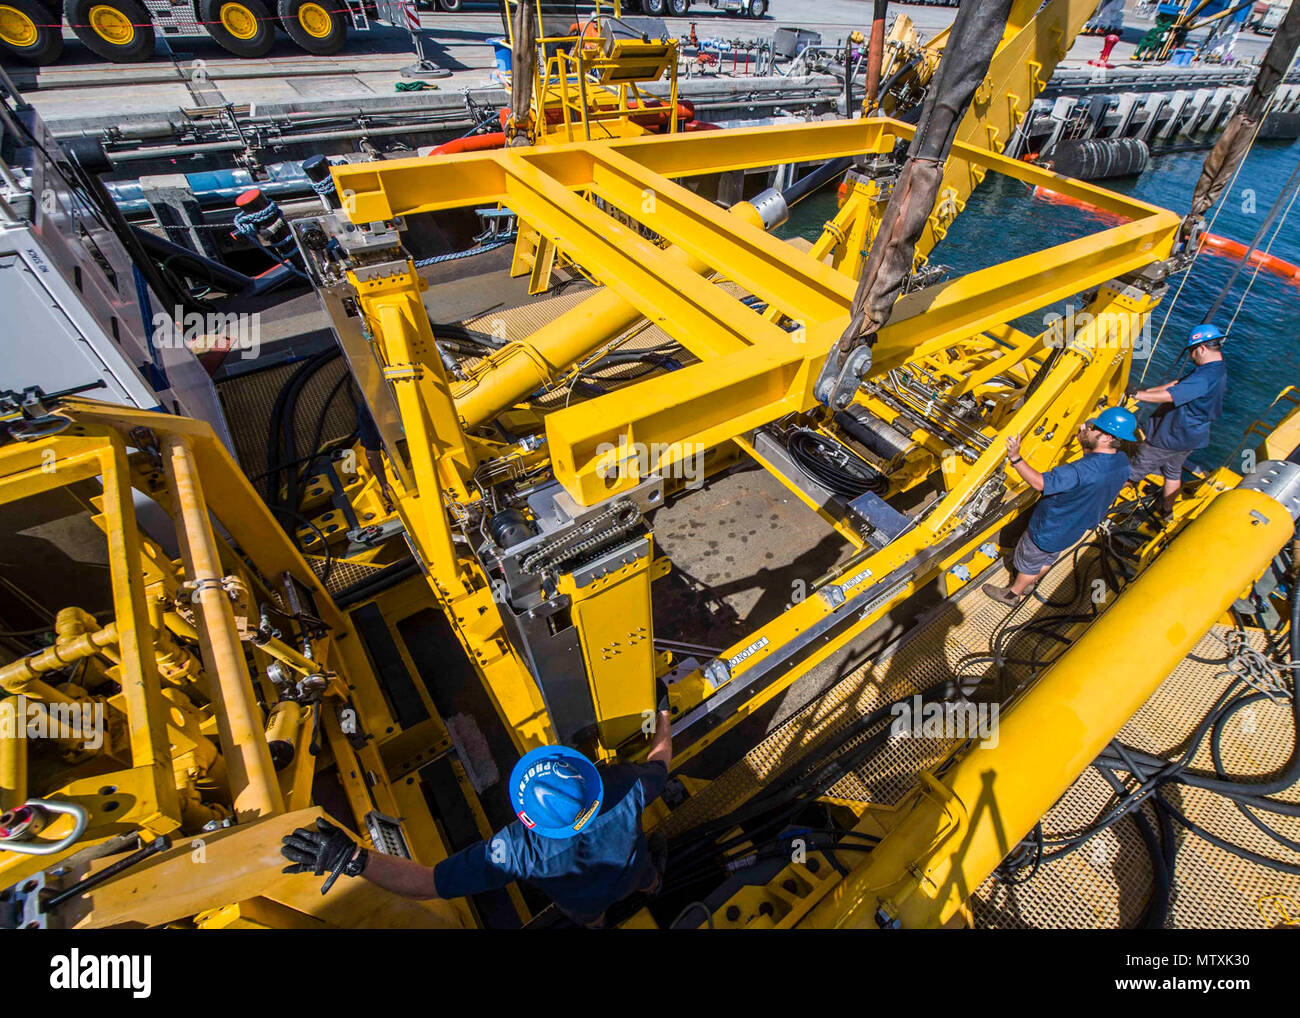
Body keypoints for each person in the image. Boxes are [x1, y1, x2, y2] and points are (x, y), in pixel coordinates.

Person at [281, 699, 673, 928]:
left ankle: (598, 924)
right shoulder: (624, 787)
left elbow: (428, 883)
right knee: (646, 877)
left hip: (584, 902)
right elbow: (659, 763)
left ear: (527, 815)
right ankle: (654, 889)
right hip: (633, 871)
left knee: (588, 914)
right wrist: (663, 716)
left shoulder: (519, 850)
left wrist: (352, 858)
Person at [983, 406, 1138, 606]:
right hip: (1075, 528)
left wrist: (1015, 457)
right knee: (1047, 559)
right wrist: (1086, 445)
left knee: (1028, 559)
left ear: (1107, 437)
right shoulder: (1121, 461)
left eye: (1093, 428)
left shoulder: (1078, 471)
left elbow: (1039, 483)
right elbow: (1094, 470)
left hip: (1049, 528)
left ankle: (1013, 594)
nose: (1087, 429)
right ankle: (1031, 582)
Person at [1126, 323, 1228, 517]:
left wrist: (1137, 396)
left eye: (1192, 351)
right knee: (1172, 472)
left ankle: (1096, 501)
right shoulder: (1216, 370)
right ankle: (1166, 510)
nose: (1191, 356)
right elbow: (1176, 384)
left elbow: (1171, 395)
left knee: (1132, 472)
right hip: (1191, 437)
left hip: (1170, 437)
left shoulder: (1204, 376)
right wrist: (1142, 392)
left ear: (1202, 348)